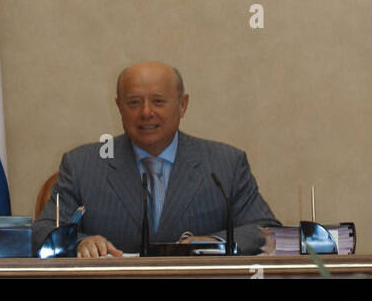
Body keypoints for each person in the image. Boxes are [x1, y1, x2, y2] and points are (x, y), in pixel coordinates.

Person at [32, 61, 280, 257]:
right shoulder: (82, 165)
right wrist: (80, 242)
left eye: (158, 101)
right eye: (134, 102)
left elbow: (265, 230)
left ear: (183, 105)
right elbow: (43, 231)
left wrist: (214, 243)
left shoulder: (226, 163)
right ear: (119, 107)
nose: (146, 113)